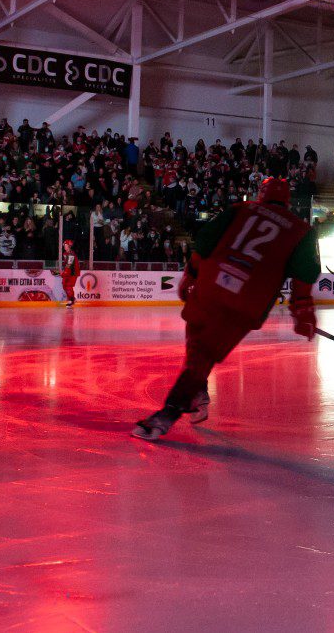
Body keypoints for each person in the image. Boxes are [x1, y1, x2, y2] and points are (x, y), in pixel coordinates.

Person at [132, 178, 319, 441]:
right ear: (287, 199)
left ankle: (183, 400)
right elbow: (305, 275)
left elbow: (205, 241)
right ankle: (176, 407)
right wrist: (302, 312)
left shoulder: (239, 210)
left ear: (260, 195)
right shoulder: (302, 231)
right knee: (204, 354)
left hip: (210, 287)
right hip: (245, 304)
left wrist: (191, 274)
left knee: (197, 346)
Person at [59, 238, 80, 308]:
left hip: (73, 273)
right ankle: (72, 299)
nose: (64, 246)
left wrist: (63, 273)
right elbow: (66, 264)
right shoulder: (65, 253)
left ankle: (71, 300)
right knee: (64, 285)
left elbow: (69, 265)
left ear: (69, 246)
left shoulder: (71, 255)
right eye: (64, 245)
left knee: (68, 286)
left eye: (66, 245)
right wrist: (63, 271)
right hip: (68, 272)